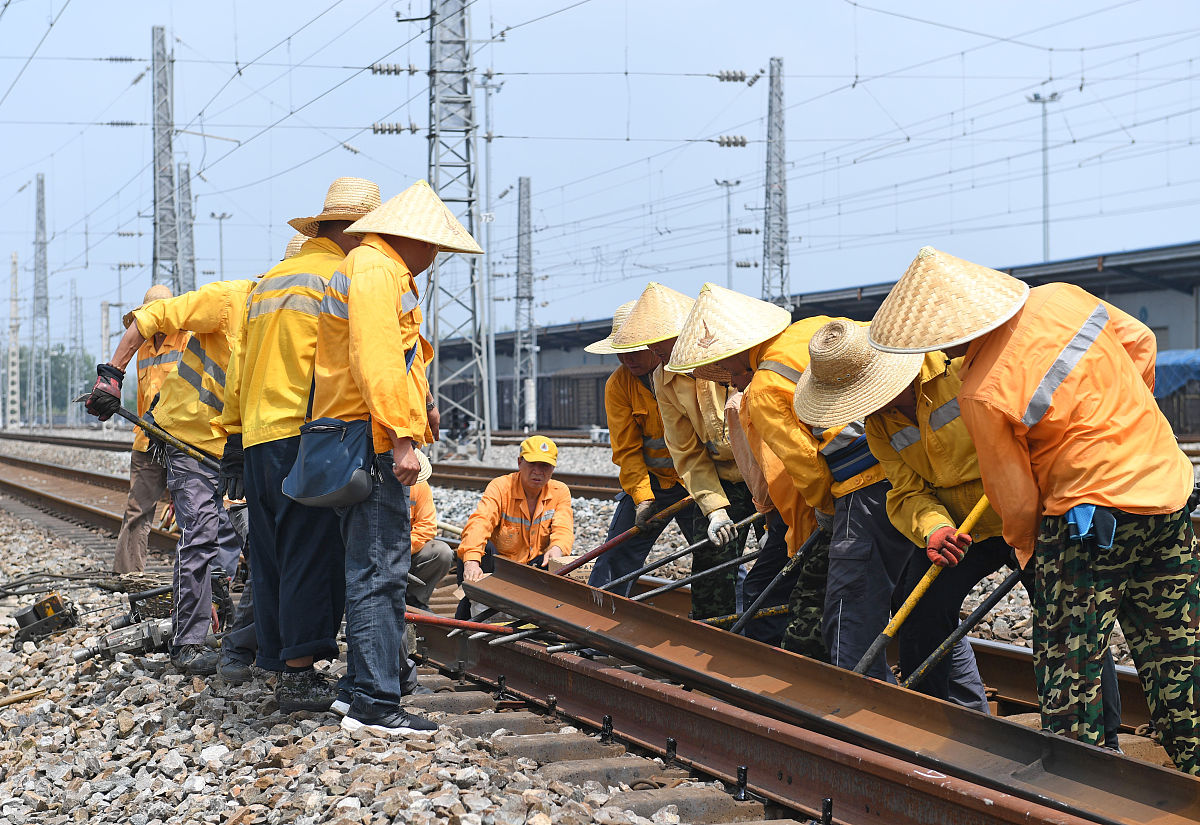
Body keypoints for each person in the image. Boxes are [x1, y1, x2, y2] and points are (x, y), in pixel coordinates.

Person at [868, 246, 1200, 773]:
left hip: (1088, 521)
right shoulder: (1062, 298)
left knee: (1073, 661)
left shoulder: (981, 386)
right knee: (1177, 650)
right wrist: (1127, 426)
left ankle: (1083, 784)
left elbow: (1017, 504)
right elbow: (1142, 341)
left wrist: (1029, 552)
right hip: (1167, 488)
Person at [792, 321, 1126, 730]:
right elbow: (905, 490)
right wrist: (933, 528)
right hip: (963, 530)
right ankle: (936, 724)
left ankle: (1104, 736)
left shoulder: (964, 376)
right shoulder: (880, 427)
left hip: (1028, 517)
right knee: (921, 614)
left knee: (1069, 620)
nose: (869, 407)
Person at [667, 284, 913, 682]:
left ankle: (848, 711)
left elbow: (804, 467)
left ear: (736, 350)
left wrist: (820, 515)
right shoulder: (814, 329)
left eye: (727, 368)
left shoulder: (764, 387)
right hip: (909, 465)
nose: (731, 379)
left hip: (859, 485)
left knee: (844, 612)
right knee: (912, 598)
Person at [312, 179, 481, 737]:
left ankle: (358, 687)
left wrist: (424, 404)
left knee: (366, 568)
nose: (436, 258)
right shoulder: (378, 270)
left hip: (357, 433)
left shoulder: (375, 268)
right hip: (371, 440)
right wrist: (400, 439)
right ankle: (377, 703)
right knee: (381, 571)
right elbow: (377, 357)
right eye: (434, 246)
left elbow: (399, 356)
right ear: (410, 237)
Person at [213, 178, 379, 706]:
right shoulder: (339, 277)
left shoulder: (269, 282)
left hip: (259, 435)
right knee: (312, 550)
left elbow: (239, 364)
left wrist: (235, 437)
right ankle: (300, 673)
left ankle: (275, 659)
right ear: (354, 230)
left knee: (270, 555)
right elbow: (342, 361)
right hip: (305, 431)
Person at [85, 277, 255, 677]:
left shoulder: (294, 320)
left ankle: (234, 618)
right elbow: (154, 315)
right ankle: (189, 642)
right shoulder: (229, 300)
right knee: (198, 532)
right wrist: (112, 374)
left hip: (232, 441)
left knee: (236, 529)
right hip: (182, 433)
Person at [610, 282, 753, 620]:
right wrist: (715, 508)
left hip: (766, 473)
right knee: (714, 561)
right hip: (713, 480)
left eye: (659, 348)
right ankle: (716, 640)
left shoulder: (728, 357)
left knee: (782, 555)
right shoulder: (661, 377)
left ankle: (778, 644)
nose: (656, 356)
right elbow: (686, 451)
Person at [584, 301, 703, 596]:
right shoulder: (619, 385)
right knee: (616, 558)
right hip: (651, 483)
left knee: (717, 554)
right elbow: (627, 451)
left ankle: (737, 627)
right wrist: (642, 498)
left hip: (698, 480)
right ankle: (593, 626)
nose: (627, 358)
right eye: (621, 350)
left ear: (656, 346)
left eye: (635, 349)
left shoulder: (690, 373)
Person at [110, 285, 189, 574]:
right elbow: (143, 397)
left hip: (182, 440)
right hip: (146, 440)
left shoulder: (188, 341)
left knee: (190, 512)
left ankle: (196, 579)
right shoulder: (142, 347)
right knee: (137, 510)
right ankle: (128, 574)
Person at [458, 435, 574, 585]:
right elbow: (480, 522)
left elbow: (564, 528)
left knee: (567, 562)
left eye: (545, 465)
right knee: (480, 551)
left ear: (553, 468)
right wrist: (472, 562)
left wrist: (557, 548)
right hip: (501, 567)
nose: (538, 471)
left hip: (535, 566)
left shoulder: (560, 491)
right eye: (532, 464)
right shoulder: (501, 487)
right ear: (520, 462)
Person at [407, 449, 455, 611]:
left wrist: (404, 548)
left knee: (442, 552)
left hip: (406, 551)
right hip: (377, 553)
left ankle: (414, 599)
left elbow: (427, 527)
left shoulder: (419, 486)